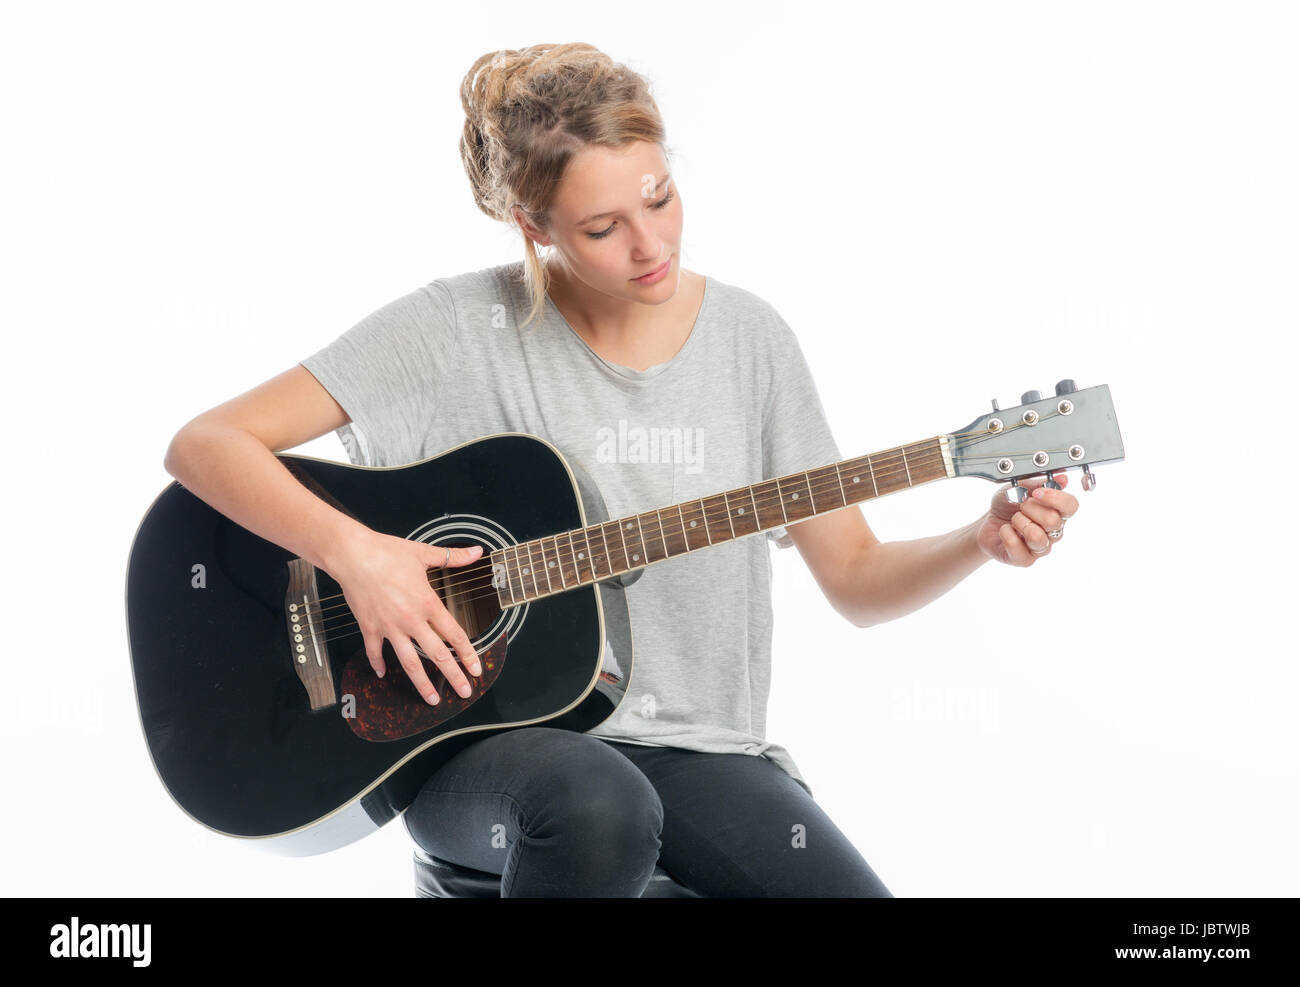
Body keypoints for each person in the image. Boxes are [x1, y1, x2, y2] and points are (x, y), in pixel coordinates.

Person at [162, 42, 1080, 897]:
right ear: (533, 224)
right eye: (603, 226)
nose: (652, 246)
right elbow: (206, 444)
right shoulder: (448, 330)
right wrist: (360, 558)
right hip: (482, 756)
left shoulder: (751, 343)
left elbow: (855, 579)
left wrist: (977, 541)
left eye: (660, 196)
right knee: (599, 806)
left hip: (696, 752)